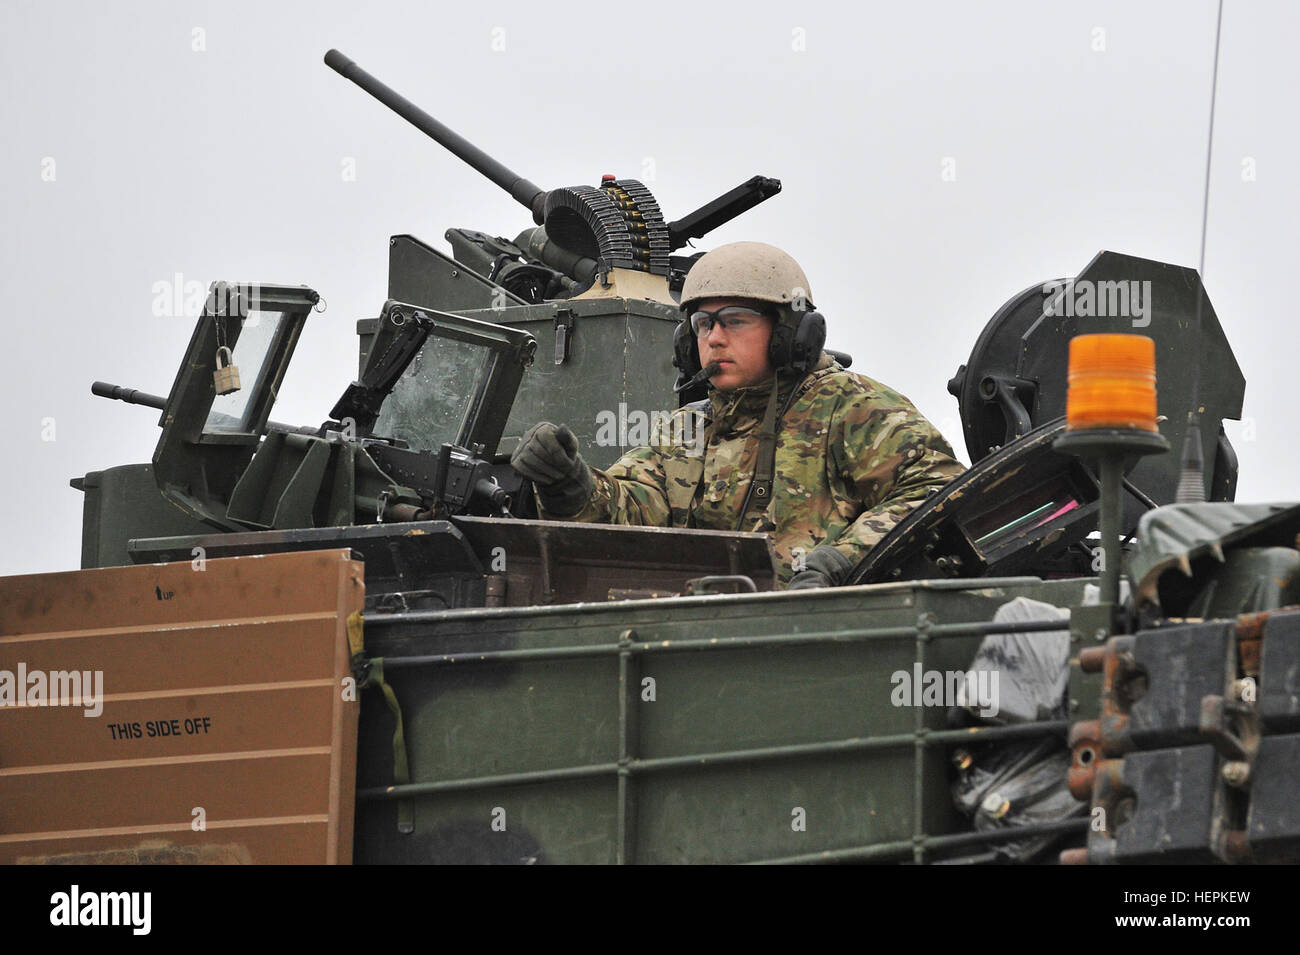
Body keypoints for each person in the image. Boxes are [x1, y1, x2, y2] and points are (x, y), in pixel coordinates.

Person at [511, 241, 965, 588]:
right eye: (703, 325)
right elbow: (629, 515)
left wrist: (841, 560)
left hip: (830, 642)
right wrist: (568, 484)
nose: (715, 338)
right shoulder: (685, 431)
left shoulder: (852, 408)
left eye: (735, 320)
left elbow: (939, 488)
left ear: (791, 334)